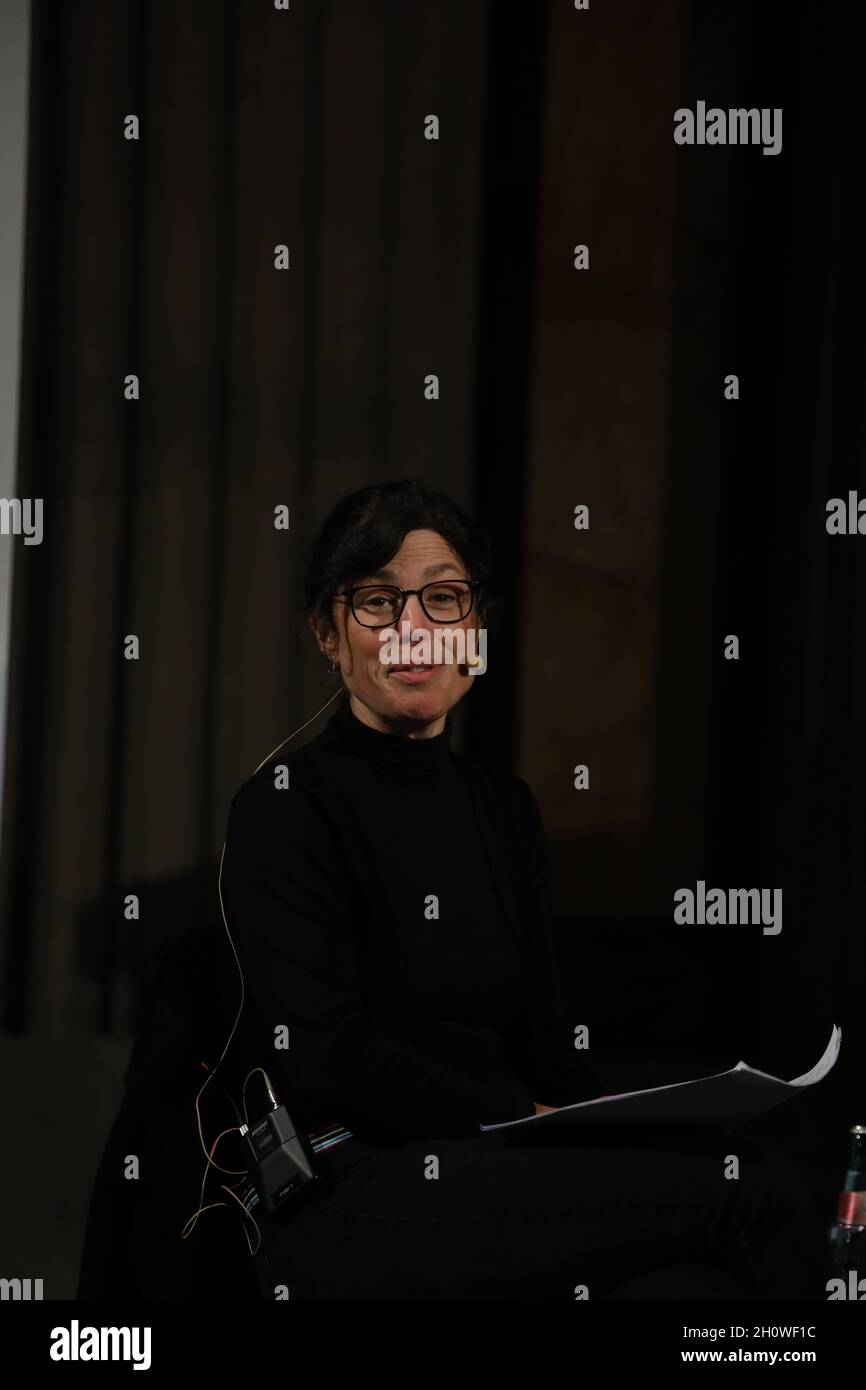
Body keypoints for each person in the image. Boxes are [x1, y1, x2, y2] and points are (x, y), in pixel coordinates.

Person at [217, 478, 835, 1300]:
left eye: (443, 600)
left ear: (476, 631)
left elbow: (550, 1039)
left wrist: (634, 1128)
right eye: (377, 602)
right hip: (361, 1185)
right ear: (327, 633)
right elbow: (327, 1057)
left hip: (501, 1163)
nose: (415, 632)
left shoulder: (502, 808)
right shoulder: (285, 807)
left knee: (723, 1220)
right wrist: (517, 1116)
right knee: (752, 1196)